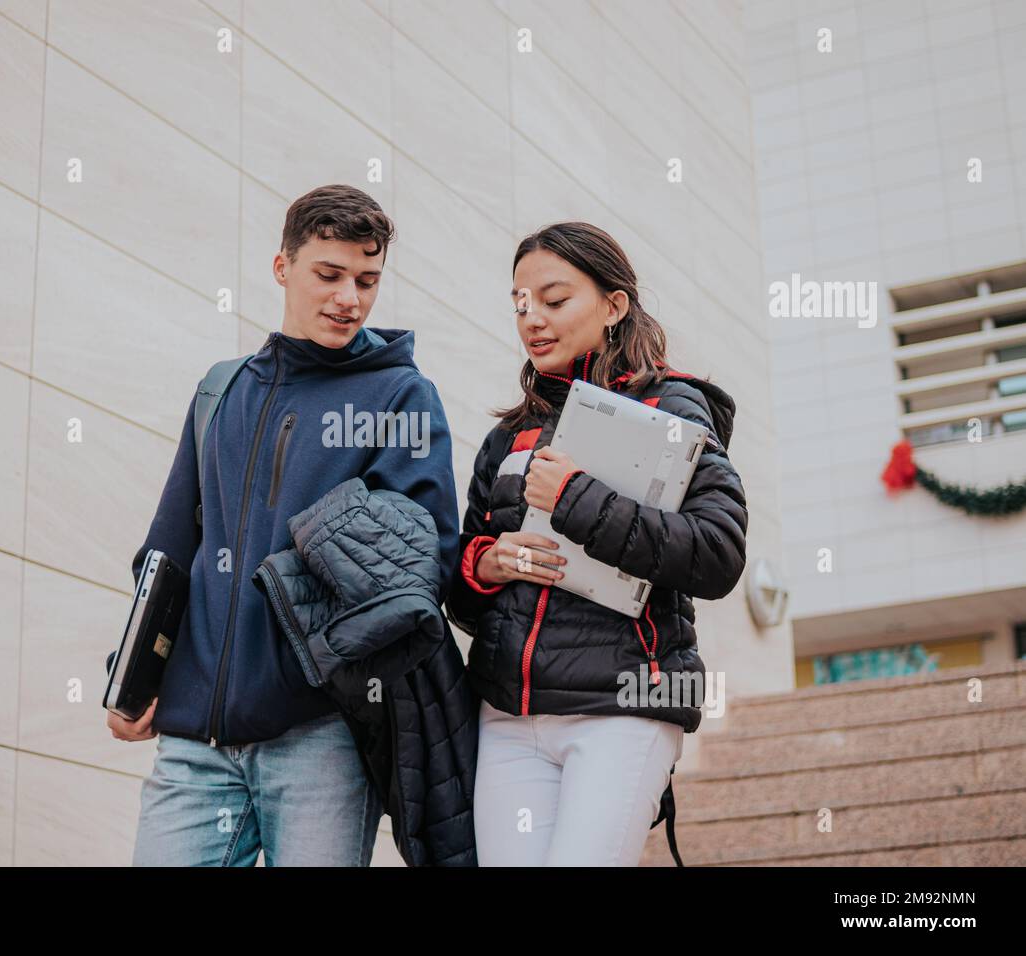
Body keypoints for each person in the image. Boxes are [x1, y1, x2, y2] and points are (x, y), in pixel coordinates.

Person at [108, 184, 459, 867]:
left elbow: (425, 565)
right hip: (193, 743)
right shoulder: (223, 387)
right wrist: (133, 675)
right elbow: (170, 546)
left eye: (366, 280)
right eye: (328, 275)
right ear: (282, 268)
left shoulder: (400, 395)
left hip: (321, 738)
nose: (348, 299)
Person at [446, 221, 748, 866]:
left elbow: (717, 555)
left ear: (614, 306)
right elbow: (463, 591)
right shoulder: (506, 439)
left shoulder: (673, 408)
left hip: (625, 705)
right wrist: (485, 566)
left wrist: (576, 498)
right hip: (509, 716)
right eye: (521, 303)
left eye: (555, 301)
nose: (534, 320)